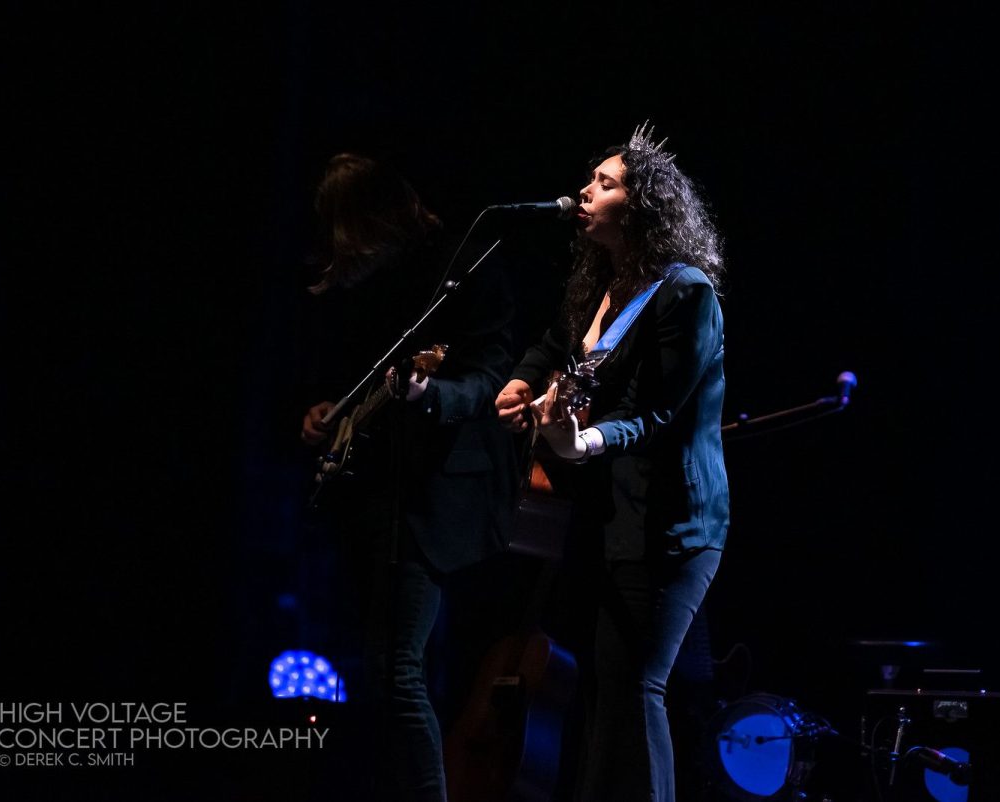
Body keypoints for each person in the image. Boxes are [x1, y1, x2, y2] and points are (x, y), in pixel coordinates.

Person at [495, 124, 730, 801]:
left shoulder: (685, 294)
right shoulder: (603, 285)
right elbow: (553, 345)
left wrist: (581, 442)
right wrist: (522, 379)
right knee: (598, 689)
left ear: (644, 206)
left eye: (605, 182)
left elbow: (657, 414)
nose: (586, 190)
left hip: (671, 523)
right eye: (590, 179)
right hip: (603, 517)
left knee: (636, 687)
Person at [297, 153, 516, 801]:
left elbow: (487, 380)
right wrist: (324, 412)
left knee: (398, 670)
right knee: (375, 669)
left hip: (440, 492)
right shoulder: (377, 284)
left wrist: (428, 394)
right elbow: (353, 377)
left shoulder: (467, 264)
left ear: (373, 221)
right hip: (376, 492)